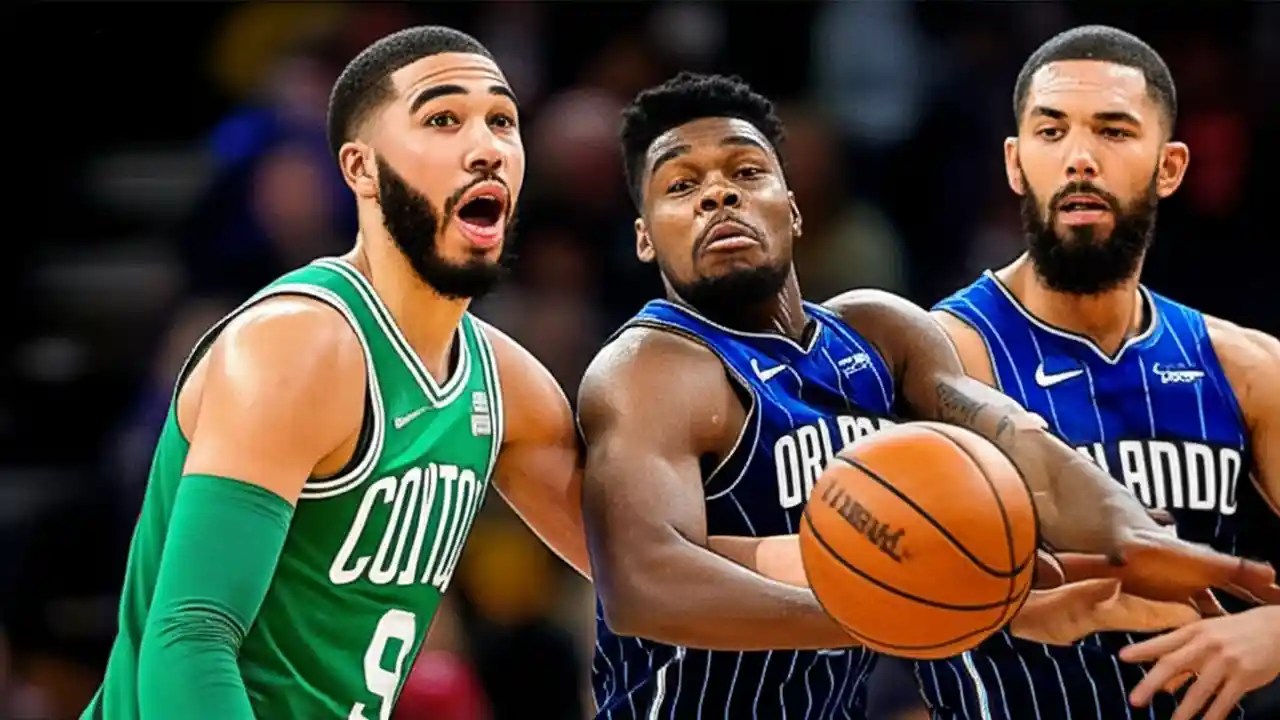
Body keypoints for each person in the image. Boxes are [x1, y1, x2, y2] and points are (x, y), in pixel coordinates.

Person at [577, 72, 1279, 720]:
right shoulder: (650, 370)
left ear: (792, 209)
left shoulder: (877, 334)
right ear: (644, 238)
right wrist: (897, 610)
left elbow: (1014, 439)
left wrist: (1132, 531)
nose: (717, 194)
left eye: (747, 172)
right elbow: (646, 582)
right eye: (680, 186)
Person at [82, 26, 589, 720]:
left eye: (503, 121)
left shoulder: (503, 383)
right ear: (361, 168)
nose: (487, 146)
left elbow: (653, 576)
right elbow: (191, 638)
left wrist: (792, 580)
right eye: (443, 119)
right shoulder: (301, 344)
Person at [925, 25, 1280, 720]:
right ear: (1015, 162)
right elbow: (877, 568)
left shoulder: (1245, 366)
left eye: (1114, 132)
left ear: (1170, 167)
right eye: (1051, 132)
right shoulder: (944, 353)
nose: (1080, 158)